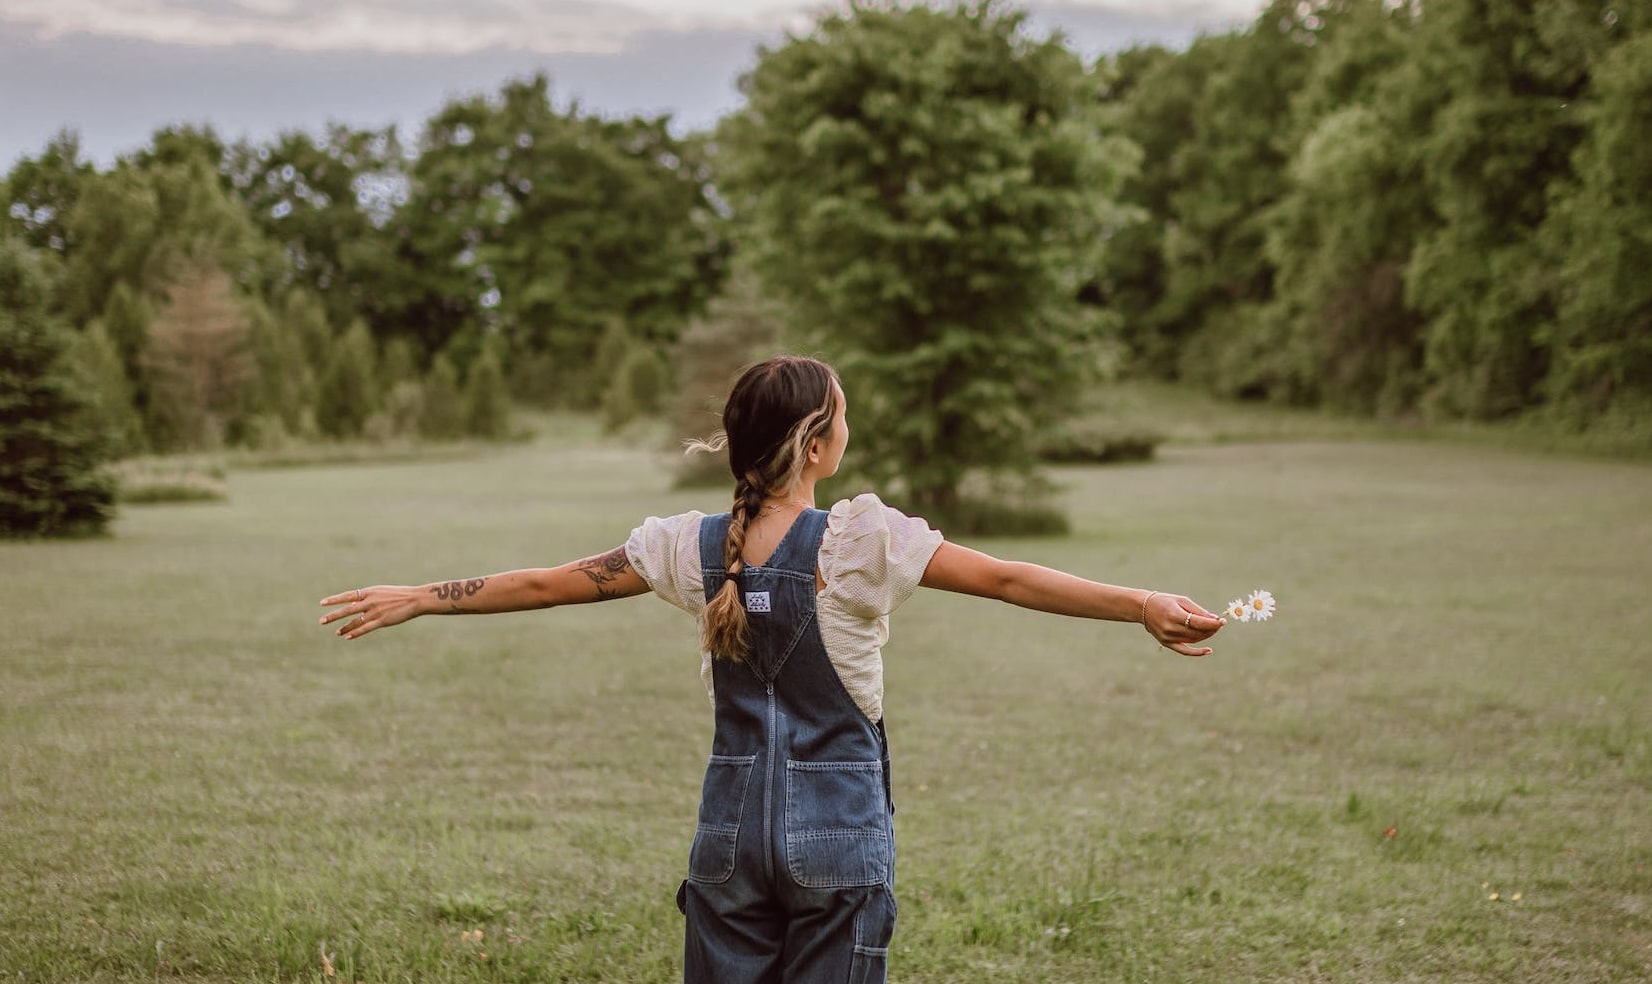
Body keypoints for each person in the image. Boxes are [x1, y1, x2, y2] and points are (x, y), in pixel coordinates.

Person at [320, 355, 1224, 983]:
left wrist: (425, 595)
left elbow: (549, 583)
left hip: (727, 845)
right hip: (836, 839)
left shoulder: (687, 547)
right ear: (818, 445)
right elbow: (1008, 577)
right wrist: (1141, 603)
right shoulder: (862, 542)